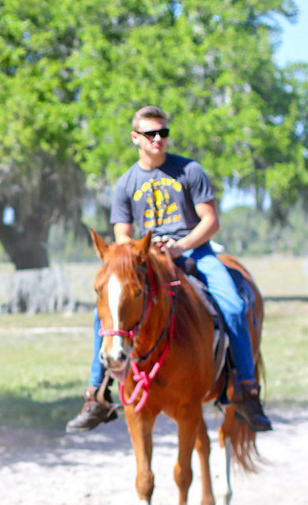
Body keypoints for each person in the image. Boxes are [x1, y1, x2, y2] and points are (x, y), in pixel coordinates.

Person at [65, 106, 273, 433]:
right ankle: (97, 396)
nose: (158, 139)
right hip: (148, 261)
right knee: (102, 316)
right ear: (136, 138)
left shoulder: (189, 171)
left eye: (163, 132)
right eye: (151, 134)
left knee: (233, 305)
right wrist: (139, 252)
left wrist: (181, 246)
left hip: (195, 253)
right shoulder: (126, 183)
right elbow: (122, 234)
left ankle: (247, 390)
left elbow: (211, 220)